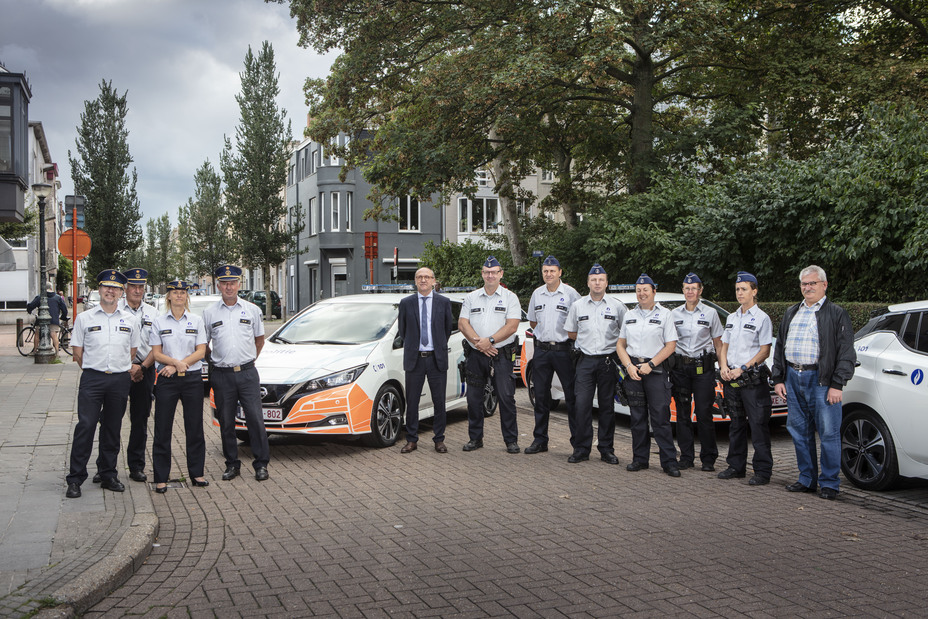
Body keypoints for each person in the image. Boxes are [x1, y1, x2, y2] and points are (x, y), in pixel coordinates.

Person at [772, 265, 856, 500]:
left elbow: (846, 352)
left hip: (822, 381)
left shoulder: (837, 313)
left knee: (828, 433)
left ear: (824, 285)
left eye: (812, 283)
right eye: (804, 284)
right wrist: (778, 378)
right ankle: (807, 479)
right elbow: (780, 346)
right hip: (793, 377)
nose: (807, 288)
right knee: (799, 431)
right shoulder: (791, 312)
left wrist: (837, 384)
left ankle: (829, 483)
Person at [64, 270, 140, 498]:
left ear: (120, 292)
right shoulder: (85, 318)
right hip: (92, 379)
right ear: (99, 290)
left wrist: (117, 371)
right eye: (106, 287)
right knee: (85, 427)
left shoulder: (131, 320)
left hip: (119, 380)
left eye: (115, 288)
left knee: (112, 429)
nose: (110, 291)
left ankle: (108, 474)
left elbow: (132, 352)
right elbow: (78, 353)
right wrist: (94, 369)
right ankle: (75, 478)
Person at [202, 265, 271, 481]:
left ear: (239, 285)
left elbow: (259, 340)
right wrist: (214, 363)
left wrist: (248, 359)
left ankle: (261, 464)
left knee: (255, 420)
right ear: (218, 285)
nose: (228, 286)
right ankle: (232, 464)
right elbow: (203, 345)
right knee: (226, 422)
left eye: (232, 283)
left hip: (247, 374)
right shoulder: (209, 313)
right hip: (222, 375)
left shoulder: (251, 310)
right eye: (224, 283)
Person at [92, 268, 157, 484]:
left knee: (140, 420)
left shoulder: (153, 313)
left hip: (145, 370)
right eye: (133, 286)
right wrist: (128, 366)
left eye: (141, 286)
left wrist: (142, 368)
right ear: (125, 288)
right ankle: (104, 467)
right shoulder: (114, 309)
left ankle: (136, 466)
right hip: (118, 372)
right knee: (109, 420)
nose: (137, 290)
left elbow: (157, 346)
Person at [617, 274, 681, 477]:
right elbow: (620, 344)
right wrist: (628, 366)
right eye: (638, 290)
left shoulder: (665, 315)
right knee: (637, 417)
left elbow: (671, 345)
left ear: (654, 291)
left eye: (645, 290)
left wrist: (651, 364)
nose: (641, 293)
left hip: (656, 370)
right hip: (634, 370)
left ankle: (669, 462)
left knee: (660, 418)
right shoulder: (629, 315)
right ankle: (640, 459)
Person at [458, 256, 522, 453]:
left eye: (494, 272)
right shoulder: (471, 297)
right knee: (474, 399)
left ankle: (511, 440)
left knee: (506, 398)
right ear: (482, 274)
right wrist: (480, 343)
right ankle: (475, 439)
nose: (490, 275)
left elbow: (512, 326)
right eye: (486, 272)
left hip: (501, 355)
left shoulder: (510, 297)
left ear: (500, 274)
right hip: (477, 355)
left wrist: (490, 341)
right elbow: (463, 323)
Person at [150, 280, 209, 493]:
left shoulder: (196, 320)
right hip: (167, 380)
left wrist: (179, 366)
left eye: (183, 292)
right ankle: (161, 477)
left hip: (192, 379)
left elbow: (201, 351)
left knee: (195, 428)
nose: (179, 296)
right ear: (168, 296)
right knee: (162, 428)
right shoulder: (158, 322)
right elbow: (156, 353)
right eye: (175, 292)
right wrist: (176, 364)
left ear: (187, 296)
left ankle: (197, 473)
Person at [563, 264, 625, 464]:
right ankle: (581, 449)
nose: (597, 283)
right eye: (593, 280)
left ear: (606, 282)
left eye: (601, 280)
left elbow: (625, 334)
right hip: (585, 361)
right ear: (588, 282)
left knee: (607, 407)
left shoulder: (617, 306)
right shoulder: (578, 306)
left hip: (608, 361)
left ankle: (606, 449)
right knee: (581, 405)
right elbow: (571, 332)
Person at [717, 271, 773, 486]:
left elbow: (764, 351)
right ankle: (736, 466)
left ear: (754, 291)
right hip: (731, 379)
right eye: (737, 289)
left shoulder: (762, 318)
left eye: (744, 289)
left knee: (758, 426)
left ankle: (762, 471)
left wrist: (742, 368)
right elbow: (724, 345)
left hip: (751, 380)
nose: (740, 293)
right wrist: (723, 366)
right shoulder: (732, 318)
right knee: (736, 424)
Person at [525, 256, 581, 456]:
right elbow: (533, 322)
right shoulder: (537, 294)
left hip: (564, 351)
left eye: (552, 271)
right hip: (542, 351)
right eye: (545, 271)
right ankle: (540, 440)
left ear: (560, 272)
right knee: (540, 397)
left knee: (572, 397)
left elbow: (579, 322)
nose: (548, 274)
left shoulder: (571, 294)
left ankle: (578, 444)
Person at [669, 273, 724, 471]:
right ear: (683, 290)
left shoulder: (710, 314)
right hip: (680, 369)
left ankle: (708, 459)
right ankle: (686, 457)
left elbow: (718, 344)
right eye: (686, 288)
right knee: (683, 414)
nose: (690, 291)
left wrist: (721, 367)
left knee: (704, 413)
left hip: (703, 370)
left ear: (700, 291)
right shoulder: (673, 314)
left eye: (694, 288)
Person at [397, 267, 454, 454]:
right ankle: (412, 440)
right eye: (419, 277)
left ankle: (439, 440)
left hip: (436, 359)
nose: (423, 280)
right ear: (415, 281)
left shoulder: (444, 303)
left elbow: (446, 330)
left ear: (433, 281)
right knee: (412, 402)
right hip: (415, 360)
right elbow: (403, 332)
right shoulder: (406, 303)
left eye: (427, 277)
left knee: (439, 402)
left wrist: (434, 347)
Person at [26, 283, 69, 353]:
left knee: (37, 333)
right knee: (53, 334)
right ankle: (57, 351)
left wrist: (29, 309)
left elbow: (32, 305)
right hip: (54, 319)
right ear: (51, 288)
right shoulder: (58, 298)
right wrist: (63, 317)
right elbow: (64, 309)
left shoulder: (40, 297)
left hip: (41, 320)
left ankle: (35, 350)